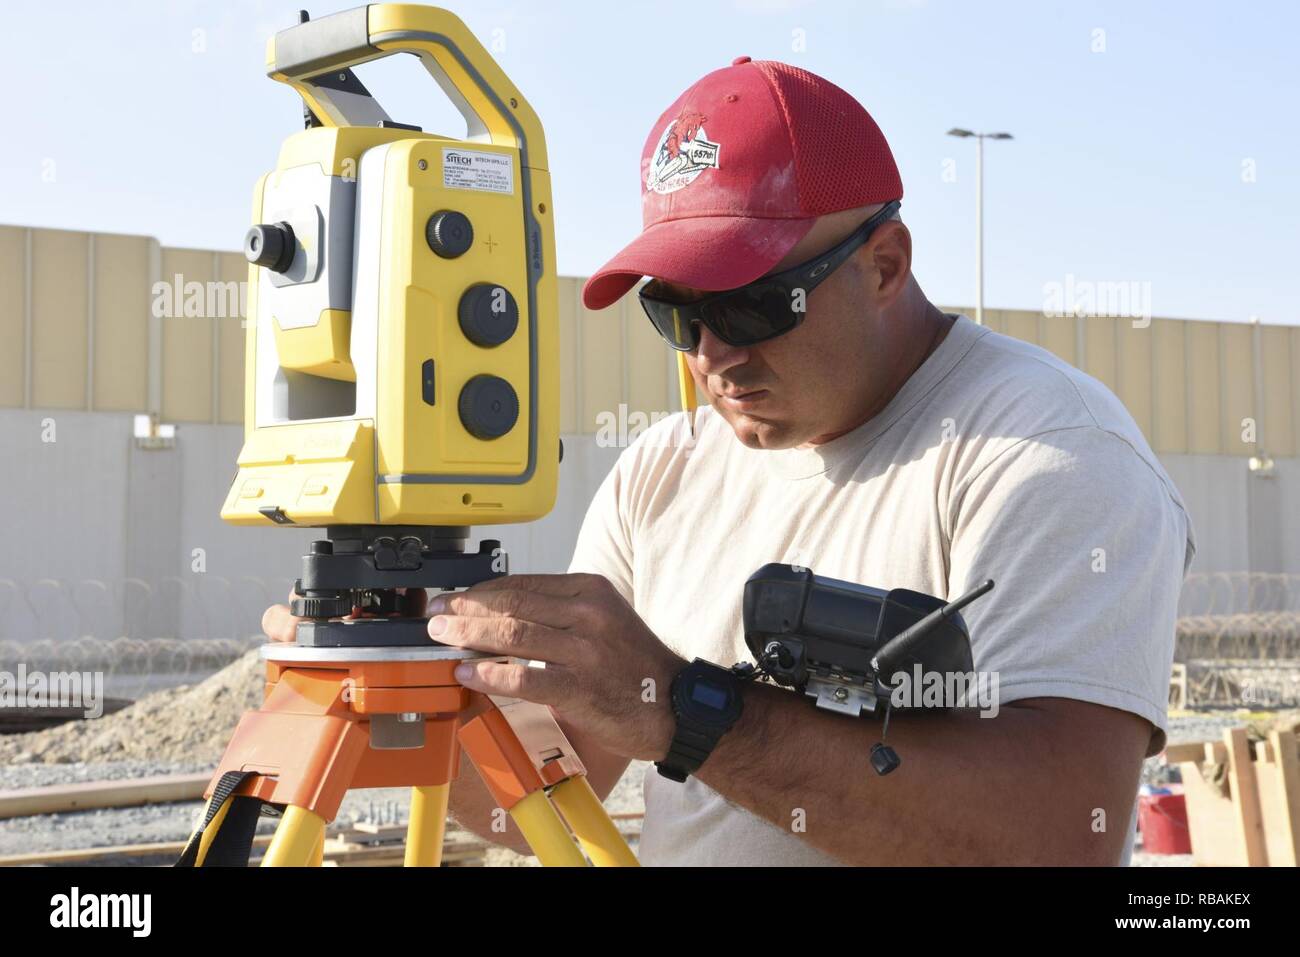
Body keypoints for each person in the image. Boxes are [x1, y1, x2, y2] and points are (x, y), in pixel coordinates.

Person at [264, 57, 1194, 866]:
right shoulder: (664, 471)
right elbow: (544, 786)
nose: (710, 353)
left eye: (752, 304)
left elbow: (1061, 837)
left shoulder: (1045, 455)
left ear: (884, 263)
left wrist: (686, 709)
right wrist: (399, 682)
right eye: (673, 310)